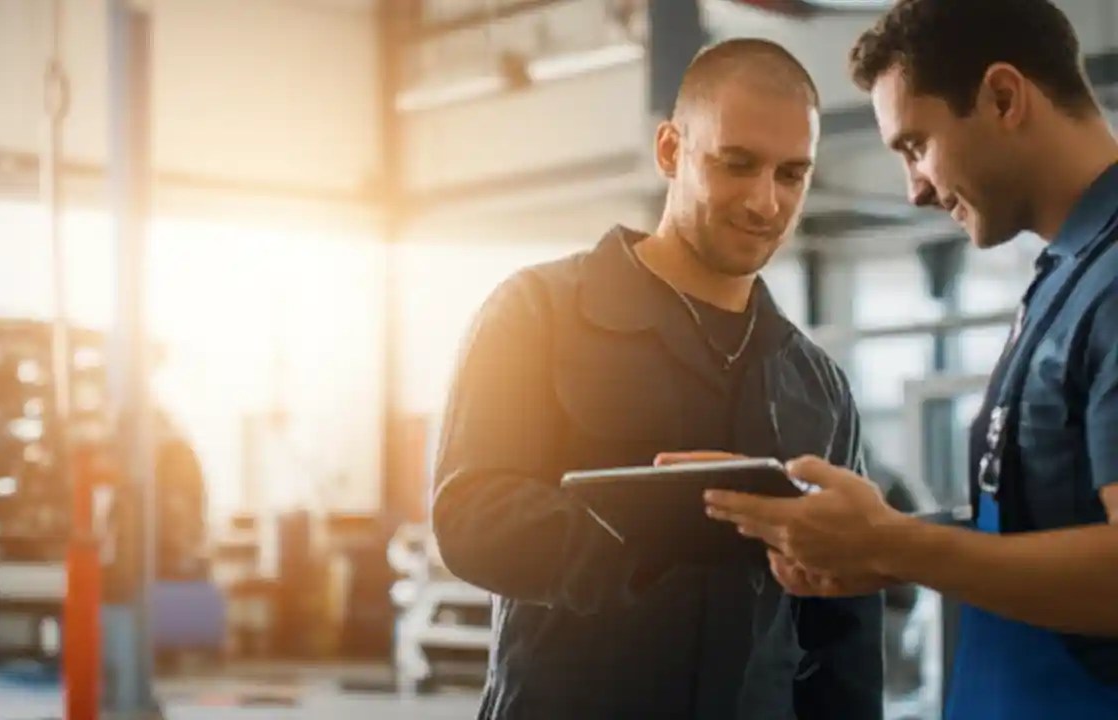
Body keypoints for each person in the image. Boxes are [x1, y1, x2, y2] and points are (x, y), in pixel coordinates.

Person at [431, 37, 883, 719]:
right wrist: (655, 531)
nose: (766, 202)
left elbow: (842, 630)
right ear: (671, 150)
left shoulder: (818, 386)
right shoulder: (538, 314)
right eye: (738, 165)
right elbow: (470, 516)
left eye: (792, 174)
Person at [703, 1, 1118, 717]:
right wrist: (875, 543)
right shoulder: (1066, 274)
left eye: (915, 144)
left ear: (1003, 97)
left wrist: (895, 545)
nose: (915, 187)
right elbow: (1040, 527)